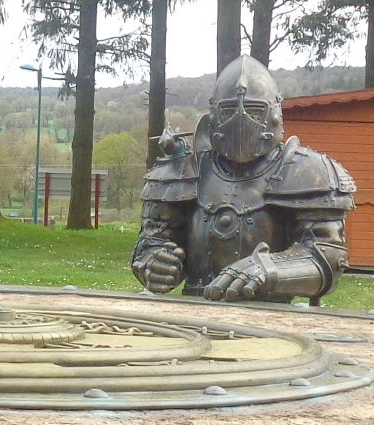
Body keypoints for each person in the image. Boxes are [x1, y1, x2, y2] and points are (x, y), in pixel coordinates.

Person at [130, 54, 353, 302]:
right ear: (213, 115)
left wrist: (269, 269)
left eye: (255, 111)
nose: (241, 119)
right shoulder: (183, 170)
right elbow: (151, 243)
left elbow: (327, 258)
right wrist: (157, 263)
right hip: (195, 310)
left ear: (274, 114)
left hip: (273, 315)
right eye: (228, 111)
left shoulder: (307, 172)